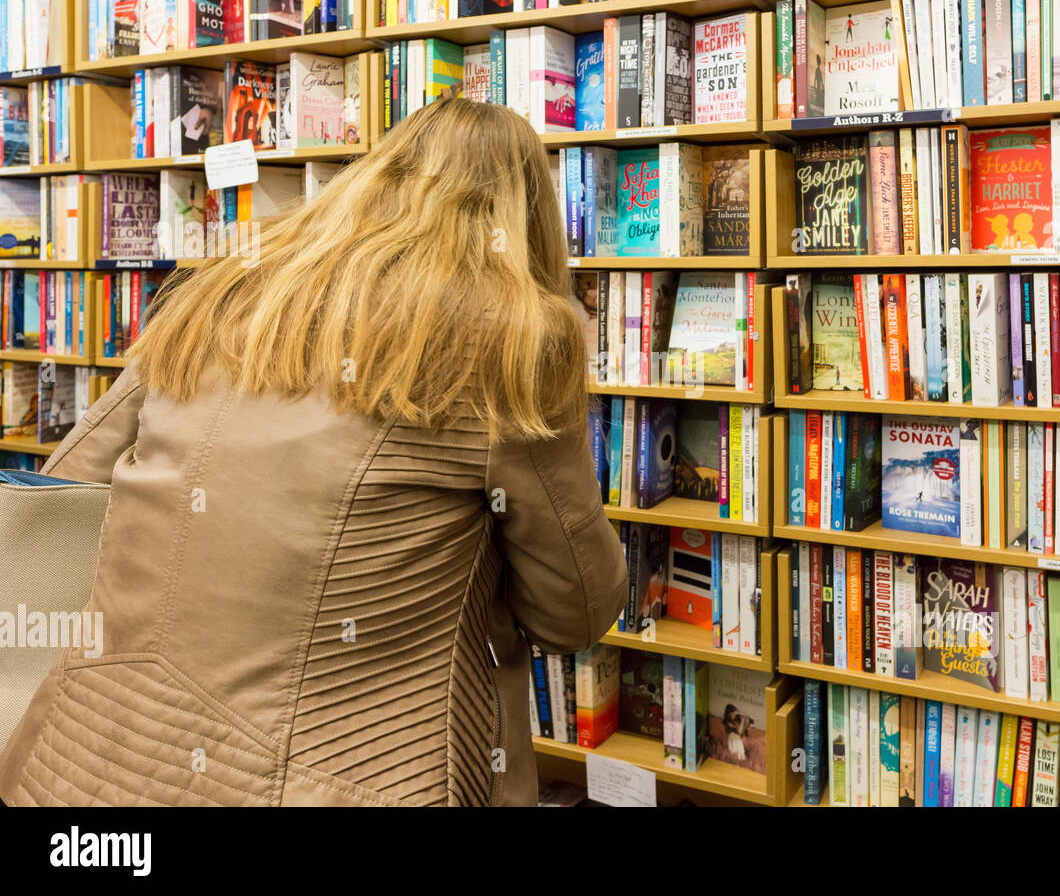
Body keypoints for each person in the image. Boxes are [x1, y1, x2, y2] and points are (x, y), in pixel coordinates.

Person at [0, 98, 628, 807]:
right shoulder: (514, 338)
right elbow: (575, 607)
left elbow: (68, 487)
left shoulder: (225, 288)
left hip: (74, 760)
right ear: (525, 219)